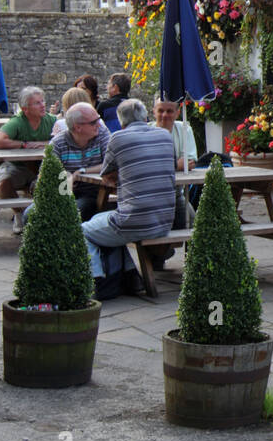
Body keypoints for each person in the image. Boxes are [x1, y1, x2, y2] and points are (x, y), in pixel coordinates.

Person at [81, 99, 175, 295]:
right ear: (146, 116)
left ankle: (96, 280)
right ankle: (131, 274)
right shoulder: (165, 136)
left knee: (81, 230)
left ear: (121, 121)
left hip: (134, 222)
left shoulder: (118, 138)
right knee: (101, 220)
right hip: (164, 221)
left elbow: (106, 175)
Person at [0, 87, 56, 231]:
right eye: (37, 103)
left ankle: (39, 218)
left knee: (47, 184)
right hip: (17, 167)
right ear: (25, 109)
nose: (43, 105)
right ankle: (19, 214)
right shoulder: (18, 122)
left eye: (43, 101)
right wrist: (23, 144)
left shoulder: (51, 120)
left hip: (41, 167)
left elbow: (65, 138)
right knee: (3, 185)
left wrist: (44, 143)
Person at [51, 102, 111, 222]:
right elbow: (47, 173)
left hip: (92, 193)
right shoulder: (58, 143)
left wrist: (81, 173)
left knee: (73, 212)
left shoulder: (102, 134)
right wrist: (66, 179)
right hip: (61, 193)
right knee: (29, 214)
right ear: (78, 127)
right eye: (94, 122)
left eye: (99, 119)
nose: (99, 124)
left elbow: (110, 163)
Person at [153, 97, 197, 232]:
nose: (165, 115)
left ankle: (191, 253)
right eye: (160, 111)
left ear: (177, 113)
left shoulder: (184, 129)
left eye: (169, 111)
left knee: (196, 226)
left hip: (175, 193)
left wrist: (162, 165)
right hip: (152, 194)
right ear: (154, 112)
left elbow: (190, 162)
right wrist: (175, 164)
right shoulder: (145, 131)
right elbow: (150, 165)